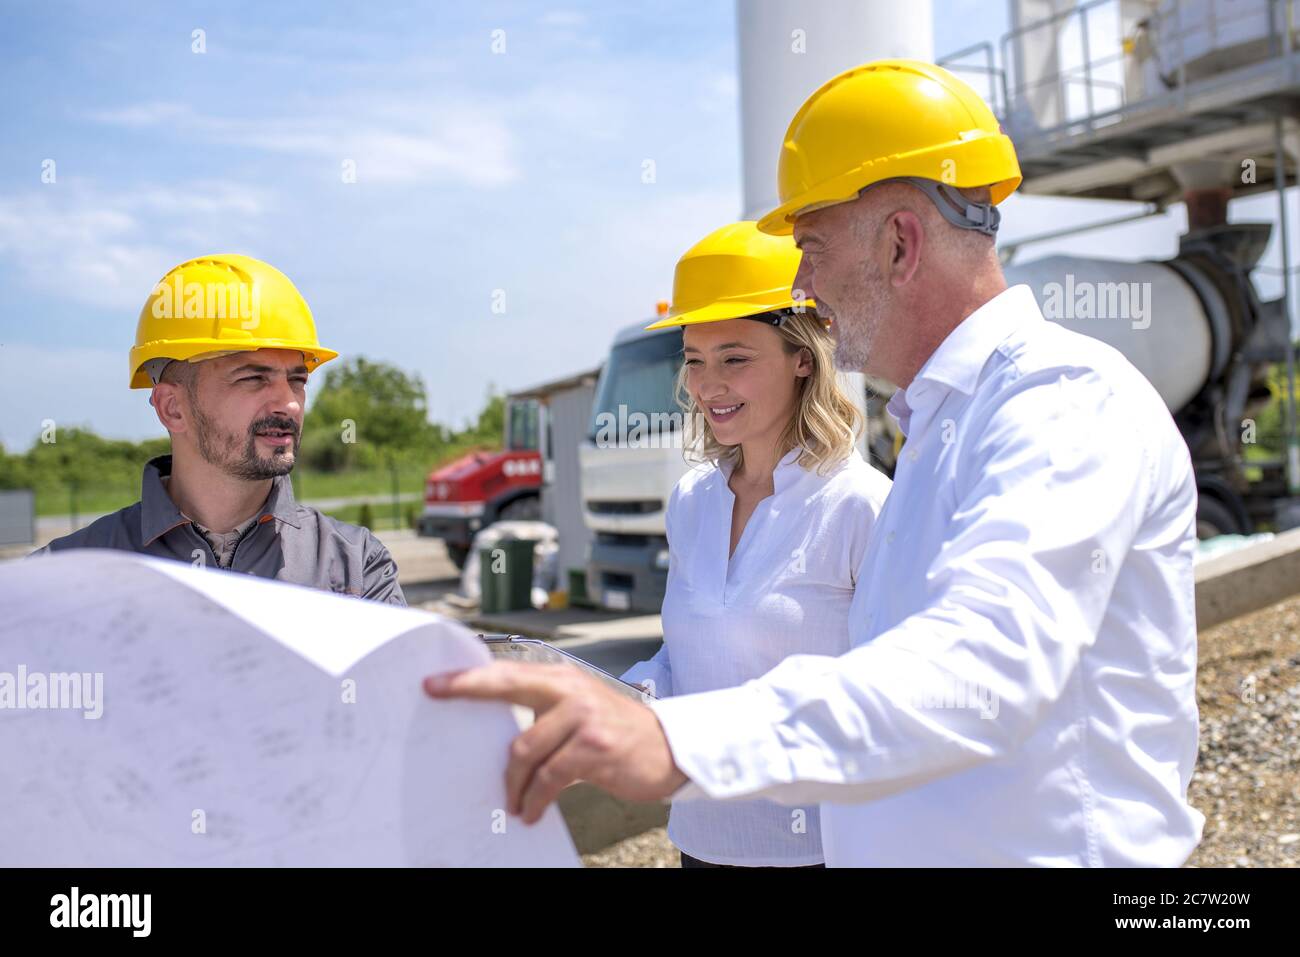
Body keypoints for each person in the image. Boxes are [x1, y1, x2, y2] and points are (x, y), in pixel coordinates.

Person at [425, 59, 1203, 866]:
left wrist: (674, 738)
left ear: (900, 242)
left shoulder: (1059, 399)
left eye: (811, 246)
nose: (800, 283)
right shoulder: (941, 426)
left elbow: (985, 667)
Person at [620, 221, 891, 868]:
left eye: (734, 358)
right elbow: (690, 655)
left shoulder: (860, 504)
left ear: (803, 355)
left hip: (823, 852)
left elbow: (891, 693)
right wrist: (623, 699)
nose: (707, 384)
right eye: (694, 359)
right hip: (701, 840)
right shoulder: (692, 502)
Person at [34, 253, 406, 606]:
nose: (289, 404)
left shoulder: (356, 569)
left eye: (297, 380)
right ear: (172, 408)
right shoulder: (61, 579)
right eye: (253, 378)